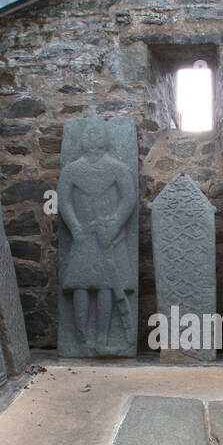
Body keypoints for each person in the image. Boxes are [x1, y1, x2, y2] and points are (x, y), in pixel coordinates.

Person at [57, 120, 136, 347]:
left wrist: (115, 225)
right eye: (89, 133)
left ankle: (103, 337)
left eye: (97, 133)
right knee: (80, 284)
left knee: (106, 286)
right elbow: (64, 201)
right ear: (83, 138)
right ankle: (81, 337)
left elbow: (128, 198)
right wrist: (74, 226)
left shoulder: (117, 168)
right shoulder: (72, 170)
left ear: (105, 138)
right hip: (83, 235)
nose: (93, 137)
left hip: (108, 235)